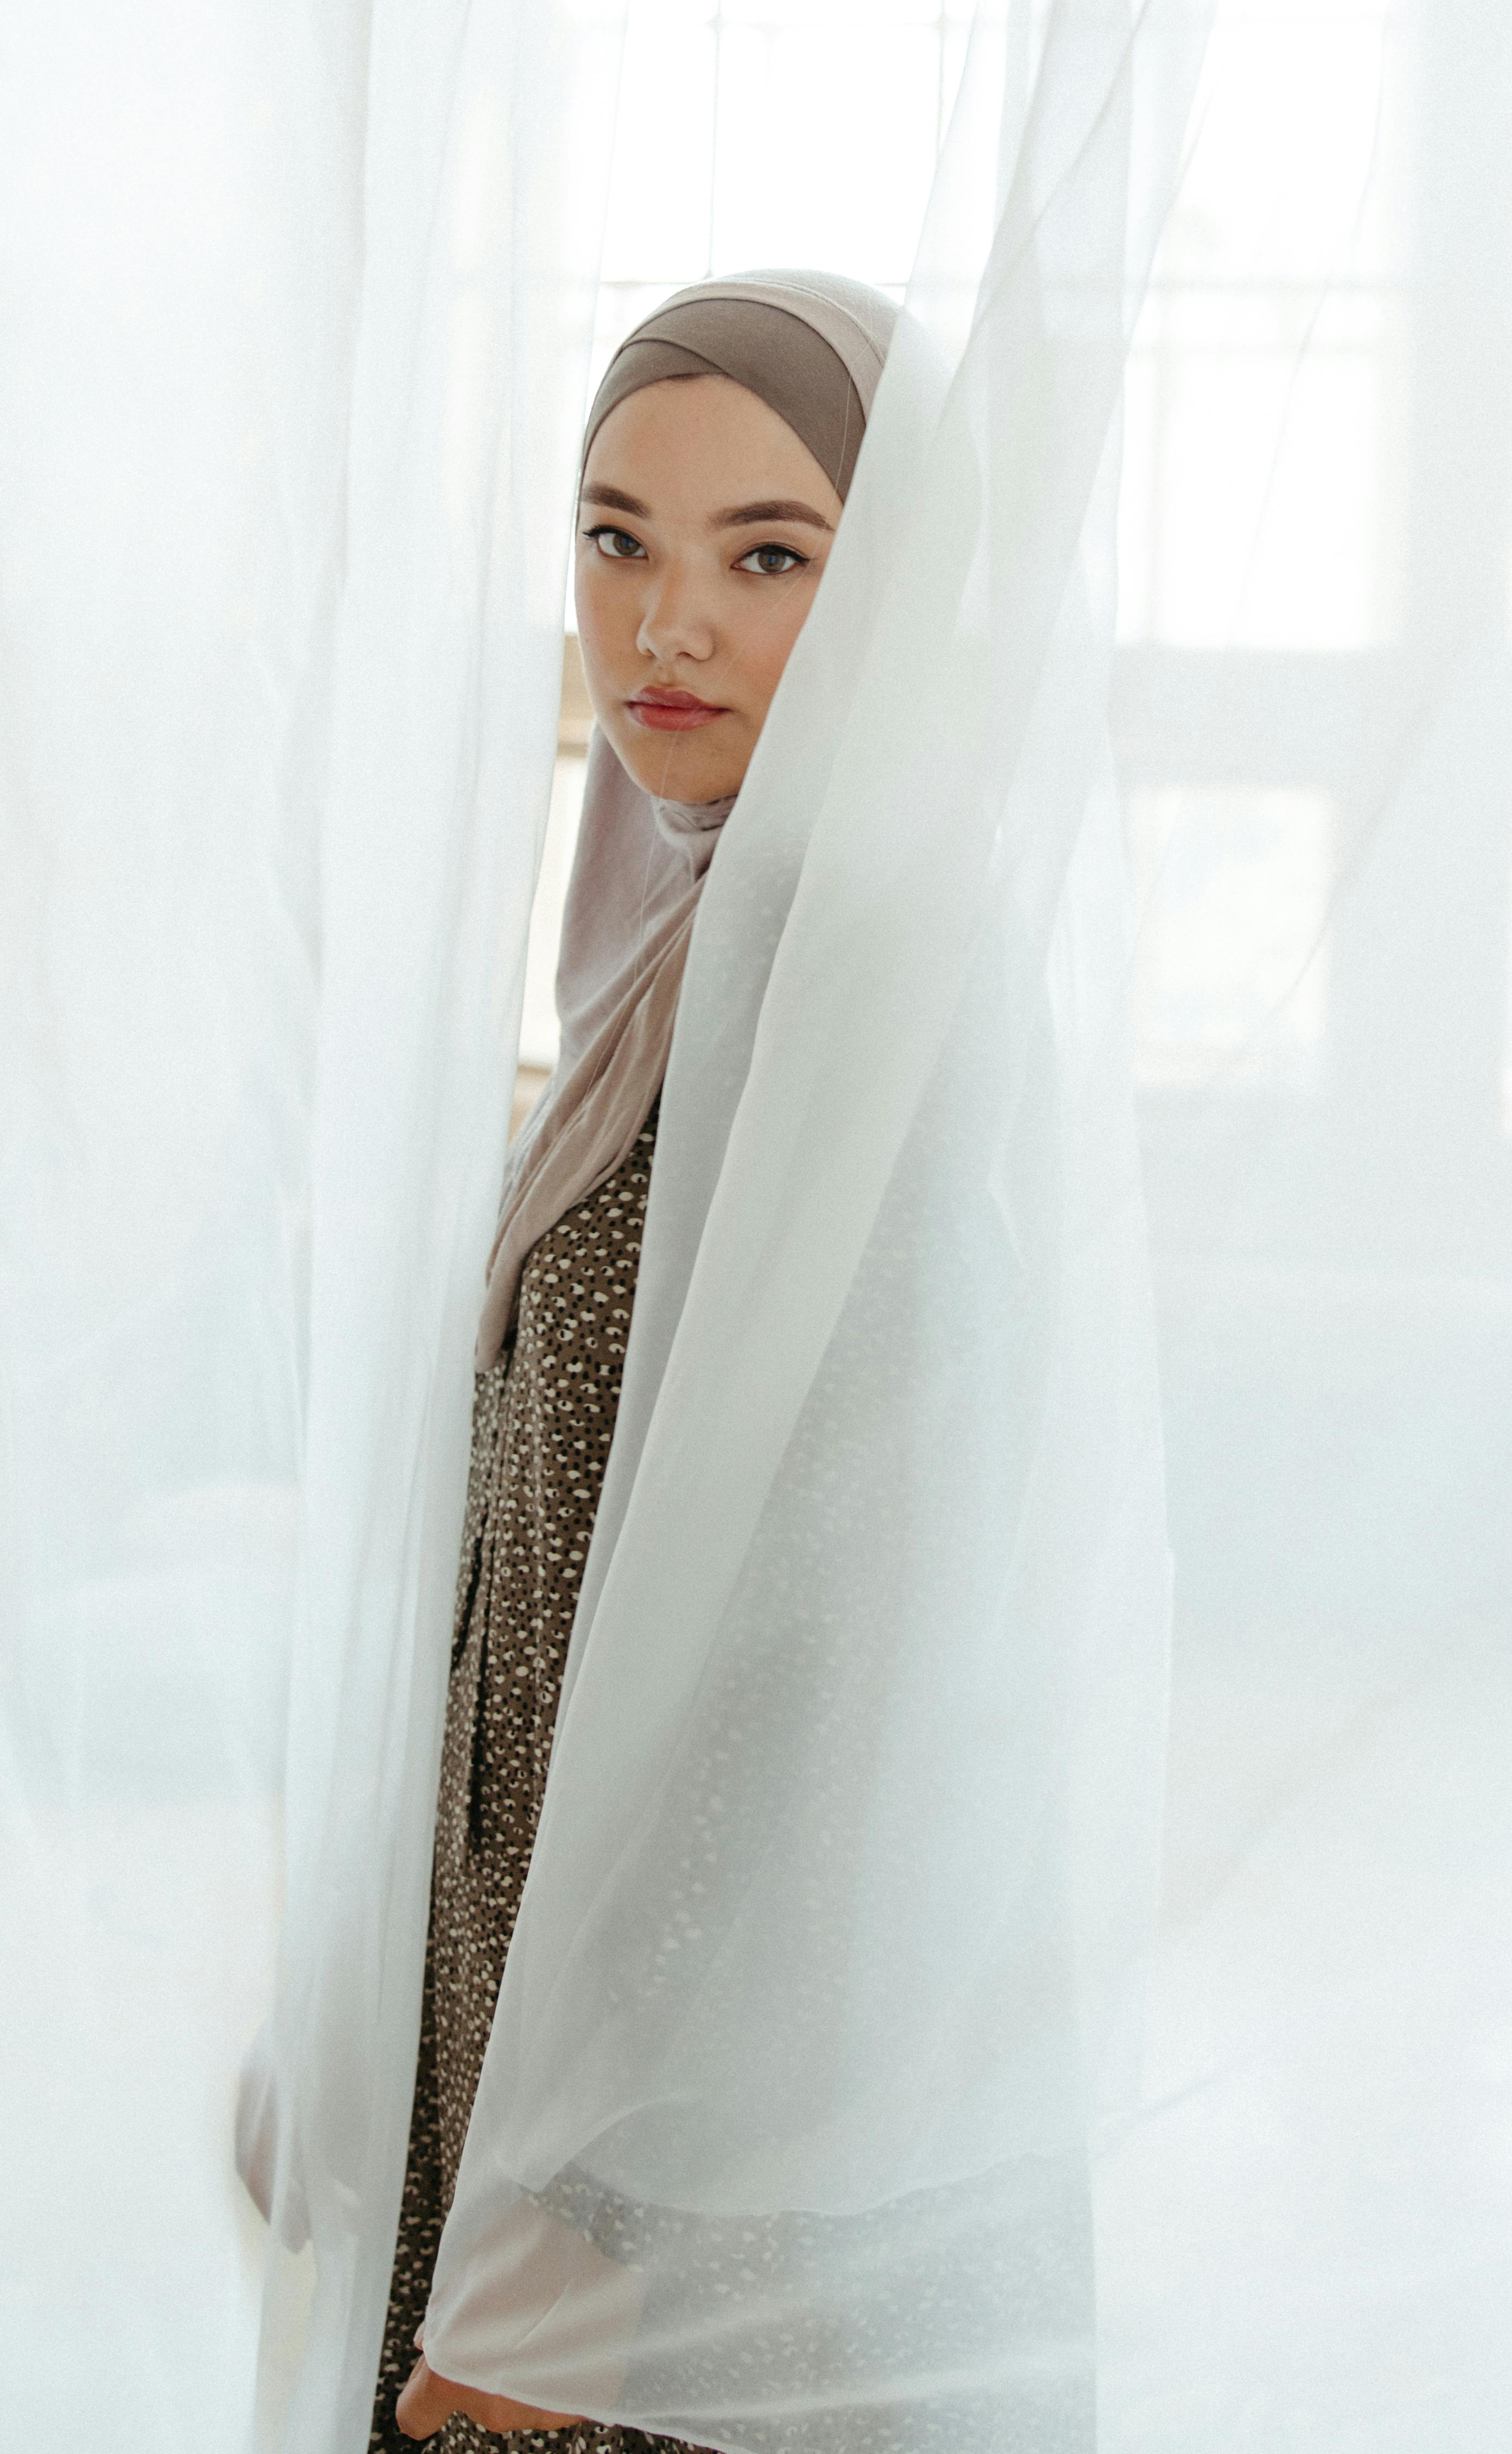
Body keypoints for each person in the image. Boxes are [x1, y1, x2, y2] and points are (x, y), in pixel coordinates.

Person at [371, 273, 897, 2451]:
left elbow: (822, 1659)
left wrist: (588, 2213)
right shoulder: (678, 930)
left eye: (768, 554)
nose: (664, 621)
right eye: (616, 536)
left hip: (687, 2158)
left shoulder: (855, 983)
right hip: (534, 2002)